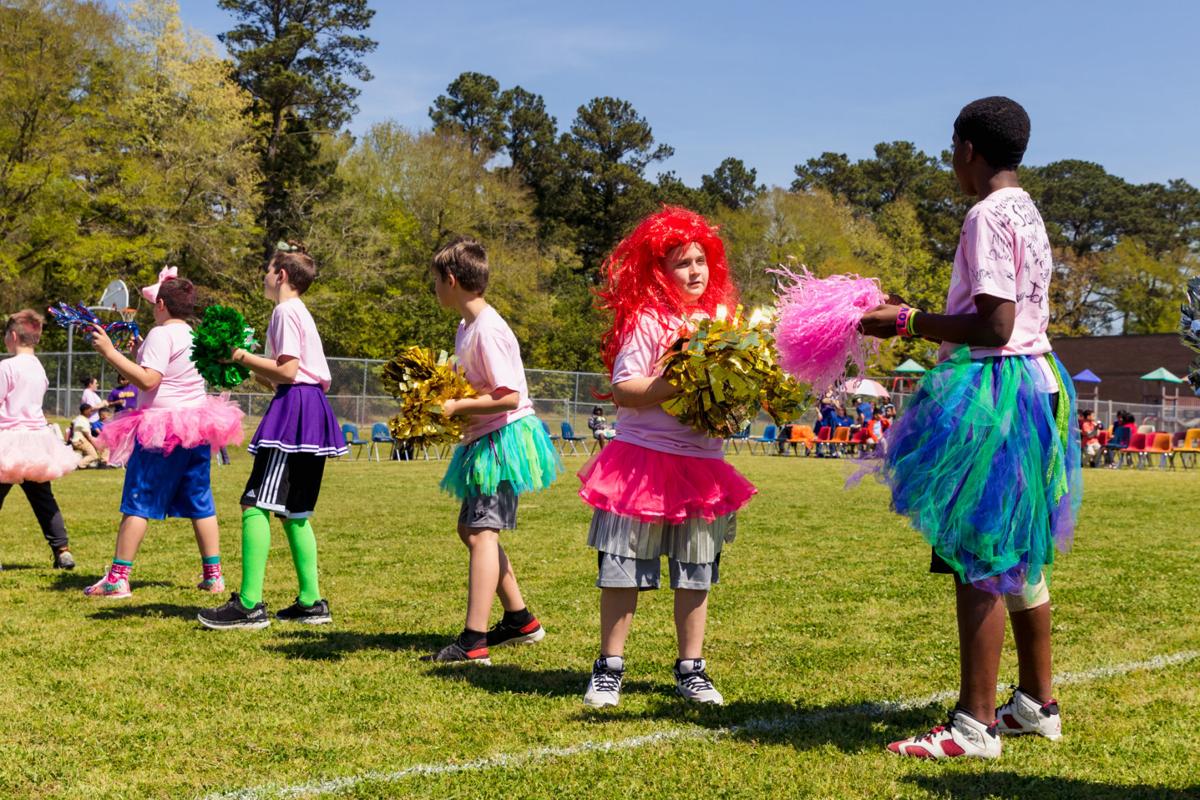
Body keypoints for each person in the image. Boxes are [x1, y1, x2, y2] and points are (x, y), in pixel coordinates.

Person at [859, 97, 1081, 759]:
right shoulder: (1028, 209)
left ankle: (974, 726)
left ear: (965, 149)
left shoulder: (986, 214)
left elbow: (994, 324)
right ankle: (1038, 704)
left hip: (997, 390)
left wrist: (902, 320)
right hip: (1038, 383)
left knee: (976, 552)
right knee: (1017, 548)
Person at [577, 207, 756, 708]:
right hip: (641, 462)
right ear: (659, 270)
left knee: (696, 568)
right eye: (682, 263)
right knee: (622, 567)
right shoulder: (647, 318)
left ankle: (691, 669)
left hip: (702, 464)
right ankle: (609, 667)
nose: (696, 271)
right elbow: (624, 388)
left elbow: (737, 390)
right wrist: (679, 382)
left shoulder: (722, 324)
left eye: (701, 260)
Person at [417, 237, 562, 663]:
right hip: (483, 437)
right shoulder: (465, 327)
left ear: (451, 279)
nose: (435, 290)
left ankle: (473, 640)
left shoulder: (489, 328)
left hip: (504, 439)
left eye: (436, 282)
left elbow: (510, 396)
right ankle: (519, 619)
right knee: (471, 530)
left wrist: (457, 405)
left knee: (482, 532)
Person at [199, 242, 348, 630]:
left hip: (295, 409)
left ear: (281, 275)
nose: (264, 276)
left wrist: (239, 356)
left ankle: (249, 605)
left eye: (268, 270)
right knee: (294, 513)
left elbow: (289, 371)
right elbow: (278, 374)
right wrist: (241, 363)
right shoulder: (299, 312)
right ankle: (312, 602)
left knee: (255, 503)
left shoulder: (284, 310)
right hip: (310, 407)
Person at [83, 268, 244, 599]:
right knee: (201, 501)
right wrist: (140, 349)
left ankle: (117, 578)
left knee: (138, 500)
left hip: (162, 430)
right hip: (195, 428)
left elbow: (148, 381)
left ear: (160, 304)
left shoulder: (161, 333)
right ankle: (214, 576)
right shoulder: (193, 335)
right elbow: (168, 372)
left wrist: (109, 352)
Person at [0, 310, 80, 569]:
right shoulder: (39, 368)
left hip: (9, 441)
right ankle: (62, 550)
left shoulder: (6, 367)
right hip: (36, 442)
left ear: (12, 336)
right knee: (44, 499)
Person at [69, 404, 104, 468]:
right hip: (80, 441)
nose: (91, 413)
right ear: (85, 411)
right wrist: (97, 446)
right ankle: (79, 464)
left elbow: (72, 423)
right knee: (94, 456)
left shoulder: (79, 418)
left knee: (88, 453)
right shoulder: (83, 421)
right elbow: (89, 437)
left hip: (78, 440)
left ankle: (85, 465)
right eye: (90, 411)